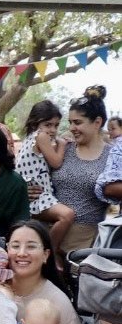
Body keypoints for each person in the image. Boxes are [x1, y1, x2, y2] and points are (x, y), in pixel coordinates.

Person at [50, 86, 111, 254]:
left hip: (84, 241)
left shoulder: (112, 157)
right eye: (70, 122)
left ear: (97, 122)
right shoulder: (64, 147)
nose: (71, 128)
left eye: (77, 122)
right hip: (49, 230)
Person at [16, 100, 75, 255]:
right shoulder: (40, 137)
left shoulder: (30, 139)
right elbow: (56, 162)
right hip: (37, 198)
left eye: (56, 125)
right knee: (67, 215)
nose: (53, 130)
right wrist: (62, 144)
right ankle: (52, 250)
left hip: (36, 195)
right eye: (48, 124)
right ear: (36, 123)